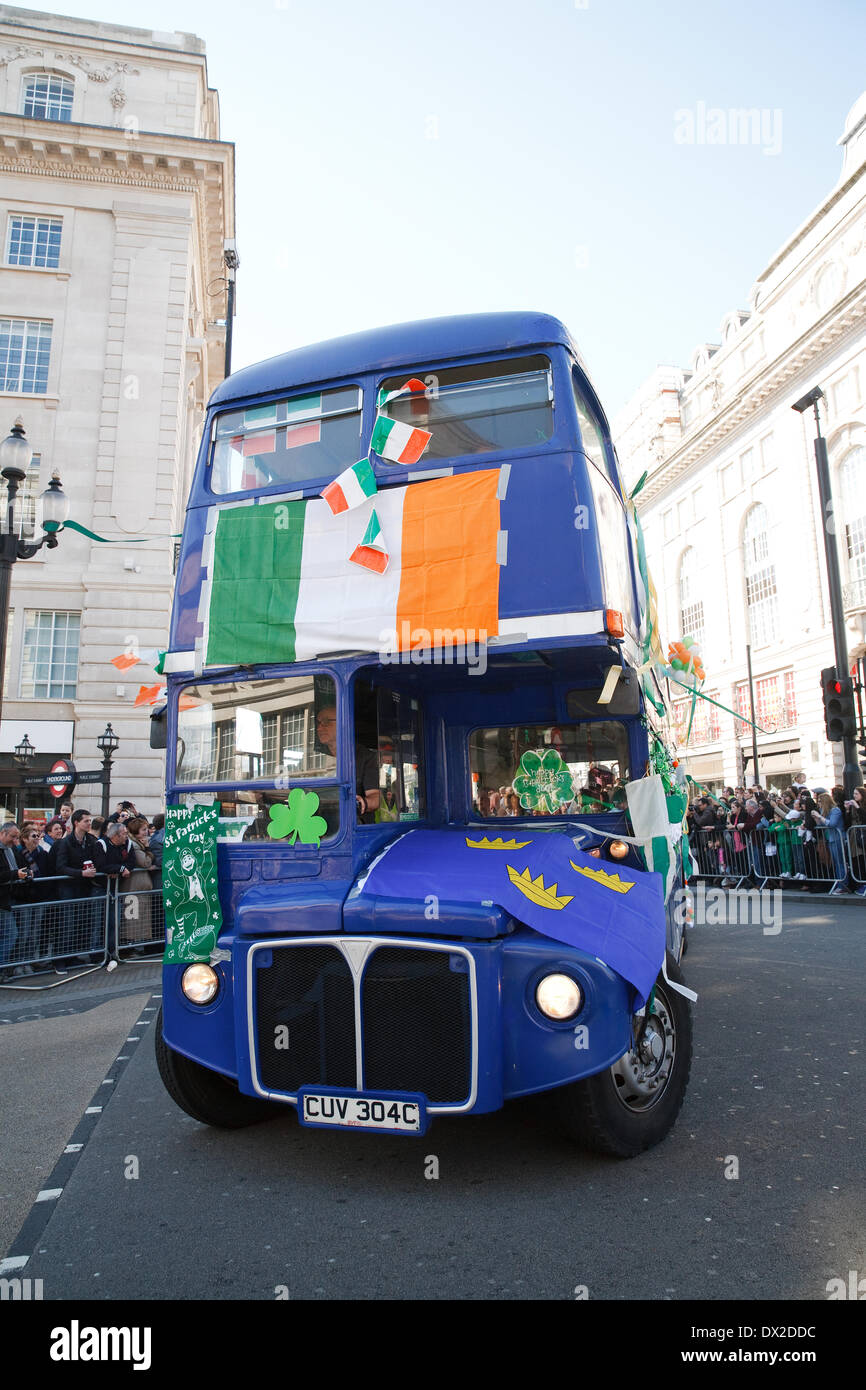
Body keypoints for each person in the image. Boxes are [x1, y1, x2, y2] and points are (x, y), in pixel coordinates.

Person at [315, 705, 380, 821]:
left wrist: (362, 802)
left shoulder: (366, 756)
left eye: (325, 722)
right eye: (318, 723)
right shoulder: (315, 756)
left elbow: (375, 798)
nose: (319, 728)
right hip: (319, 825)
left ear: (342, 723)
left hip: (354, 825)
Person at [54, 810, 103, 960]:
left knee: (81, 922)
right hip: (68, 888)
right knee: (67, 923)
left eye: (90, 820)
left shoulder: (91, 840)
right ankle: (63, 959)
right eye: (86, 821)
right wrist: (80, 873)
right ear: (76, 823)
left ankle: (75, 955)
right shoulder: (65, 842)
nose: (89, 823)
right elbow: (60, 867)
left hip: (84, 887)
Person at [0, 823, 28, 981]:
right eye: (12, 836)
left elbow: (19, 866)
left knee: (11, 934)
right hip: (2, 900)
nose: (15, 840)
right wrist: (15, 874)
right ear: (3, 833)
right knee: (11, 934)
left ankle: (5, 968)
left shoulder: (11, 849)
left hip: (11, 897)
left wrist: (23, 873)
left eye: (17, 837)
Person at [123, 817, 155, 947]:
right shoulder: (136, 845)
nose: (146, 832)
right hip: (134, 888)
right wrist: (148, 849)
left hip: (139, 887)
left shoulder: (136, 843)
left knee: (139, 917)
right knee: (133, 918)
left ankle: (135, 944)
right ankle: (132, 945)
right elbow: (145, 862)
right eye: (143, 829)